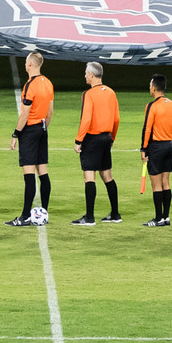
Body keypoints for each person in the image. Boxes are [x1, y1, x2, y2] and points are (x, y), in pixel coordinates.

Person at [7, 49, 54, 225]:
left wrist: (16, 134)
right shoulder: (48, 82)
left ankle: (25, 216)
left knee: (29, 174)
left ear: (30, 64)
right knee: (43, 171)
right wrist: (43, 128)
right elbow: (50, 112)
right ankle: (44, 213)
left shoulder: (30, 85)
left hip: (30, 130)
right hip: (42, 128)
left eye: (26, 62)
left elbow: (24, 114)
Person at [71, 61, 120, 225]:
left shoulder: (89, 94)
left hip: (92, 139)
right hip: (106, 138)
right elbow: (116, 119)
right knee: (107, 175)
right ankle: (115, 214)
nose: (85, 75)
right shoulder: (111, 92)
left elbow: (86, 119)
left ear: (91, 75)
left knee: (89, 176)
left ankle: (90, 217)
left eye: (86, 73)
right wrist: (112, 138)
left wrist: (78, 140)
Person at [138, 73, 172, 226]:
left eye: (150, 86)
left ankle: (158, 218)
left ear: (154, 88)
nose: (149, 88)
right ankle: (166, 217)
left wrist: (144, 149)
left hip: (156, 147)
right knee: (166, 182)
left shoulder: (151, 106)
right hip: (169, 145)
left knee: (156, 185)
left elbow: (147, 128)